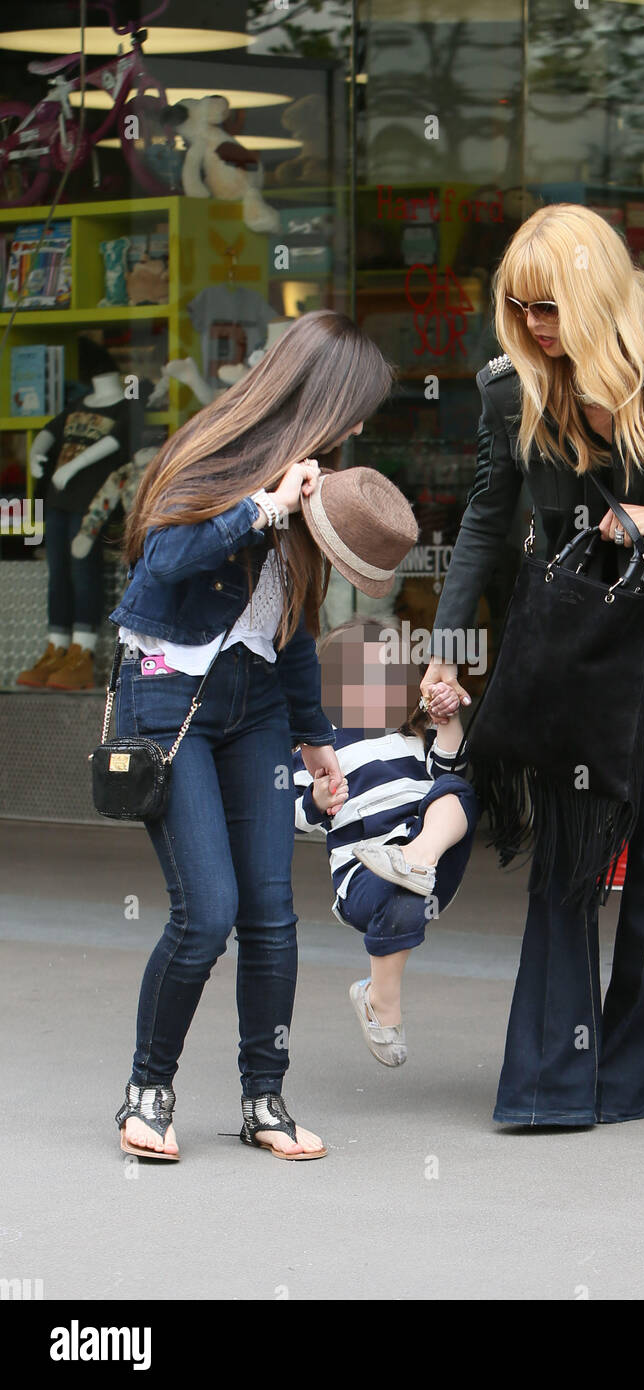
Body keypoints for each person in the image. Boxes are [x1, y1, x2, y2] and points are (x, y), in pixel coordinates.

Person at [421, 203, 644, 1128]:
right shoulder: (510, 388)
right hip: (577, 651)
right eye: (523, 308)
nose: (539, 327)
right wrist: (447, 650)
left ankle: (623, 1074)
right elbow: (482, 523)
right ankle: (547, 1081)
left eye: (553, 308)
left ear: (594, 295)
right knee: (569, 863)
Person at [108, 309, 410, 1162]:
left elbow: (292, 629)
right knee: (207, 912)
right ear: (324, 397)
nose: (357, 429)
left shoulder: (313, 484)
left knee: (273, 919)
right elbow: (161, 561)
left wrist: (317, 741)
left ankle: (263, 1101)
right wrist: (263, 508)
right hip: (170, 701)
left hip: (257, 707)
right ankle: (147, 1091)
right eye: (355, 410)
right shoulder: (221, 451)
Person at [293, 618, 478, 1066]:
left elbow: (447, 767)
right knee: (401, 893)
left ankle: (415, 857)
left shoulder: (410, 728)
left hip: (428, 853)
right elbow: (291, 815)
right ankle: (381, 1000)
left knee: (457, 791)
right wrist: (317, 798)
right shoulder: (314, 744)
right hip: (362, 875)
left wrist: (448, 720)